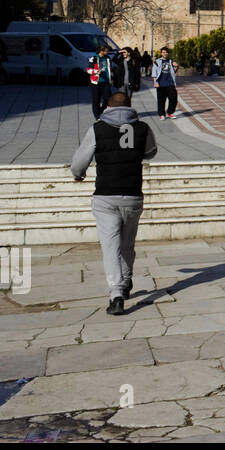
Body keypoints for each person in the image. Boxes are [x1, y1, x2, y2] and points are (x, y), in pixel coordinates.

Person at [70, 91, 158, 316]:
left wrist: (78, 173)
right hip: (133, 195)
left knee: (111, 246)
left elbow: (80, 162)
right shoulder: (143, 128)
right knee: (127, 243)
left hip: (105, 196)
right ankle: (127, 280)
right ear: (129, 107)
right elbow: (150, 153)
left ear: (107, 107)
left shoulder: (97, 128)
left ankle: (116, 293)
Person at [152, 46, 178, 119]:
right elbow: (154, 72)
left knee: (174, 98)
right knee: (161, 100)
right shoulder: (157, 61)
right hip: (161, 83)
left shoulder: (170, 61)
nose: (165, 53)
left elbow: (174, 72)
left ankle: (170, 112)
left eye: (166, 52)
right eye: (163, 52)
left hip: (170, 83)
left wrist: (176, 67)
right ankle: (162, 114)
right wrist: (155, 82)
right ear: (161, 53)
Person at [90, 45, 113, 119]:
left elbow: (110, 69)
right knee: (96, 100)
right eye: (106, 50)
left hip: (106, 82)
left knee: (108, 98)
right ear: (101, 51)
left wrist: (111, 79)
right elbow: (88, 69)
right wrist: (95, 71)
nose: (108, 52)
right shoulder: (94, 59)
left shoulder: (108, 58)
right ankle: (97, 116)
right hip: (96, 82)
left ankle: (100, 110)